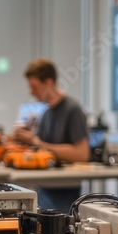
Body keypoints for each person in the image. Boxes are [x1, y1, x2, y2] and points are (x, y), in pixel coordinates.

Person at [13, 58, 90, 211]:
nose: (31, 92)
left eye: (34, 87)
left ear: (48, 83)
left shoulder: (72, 110)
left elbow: (82, 154)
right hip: (45, 187)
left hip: (63, 192)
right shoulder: (46, 113)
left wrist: (36, 142)